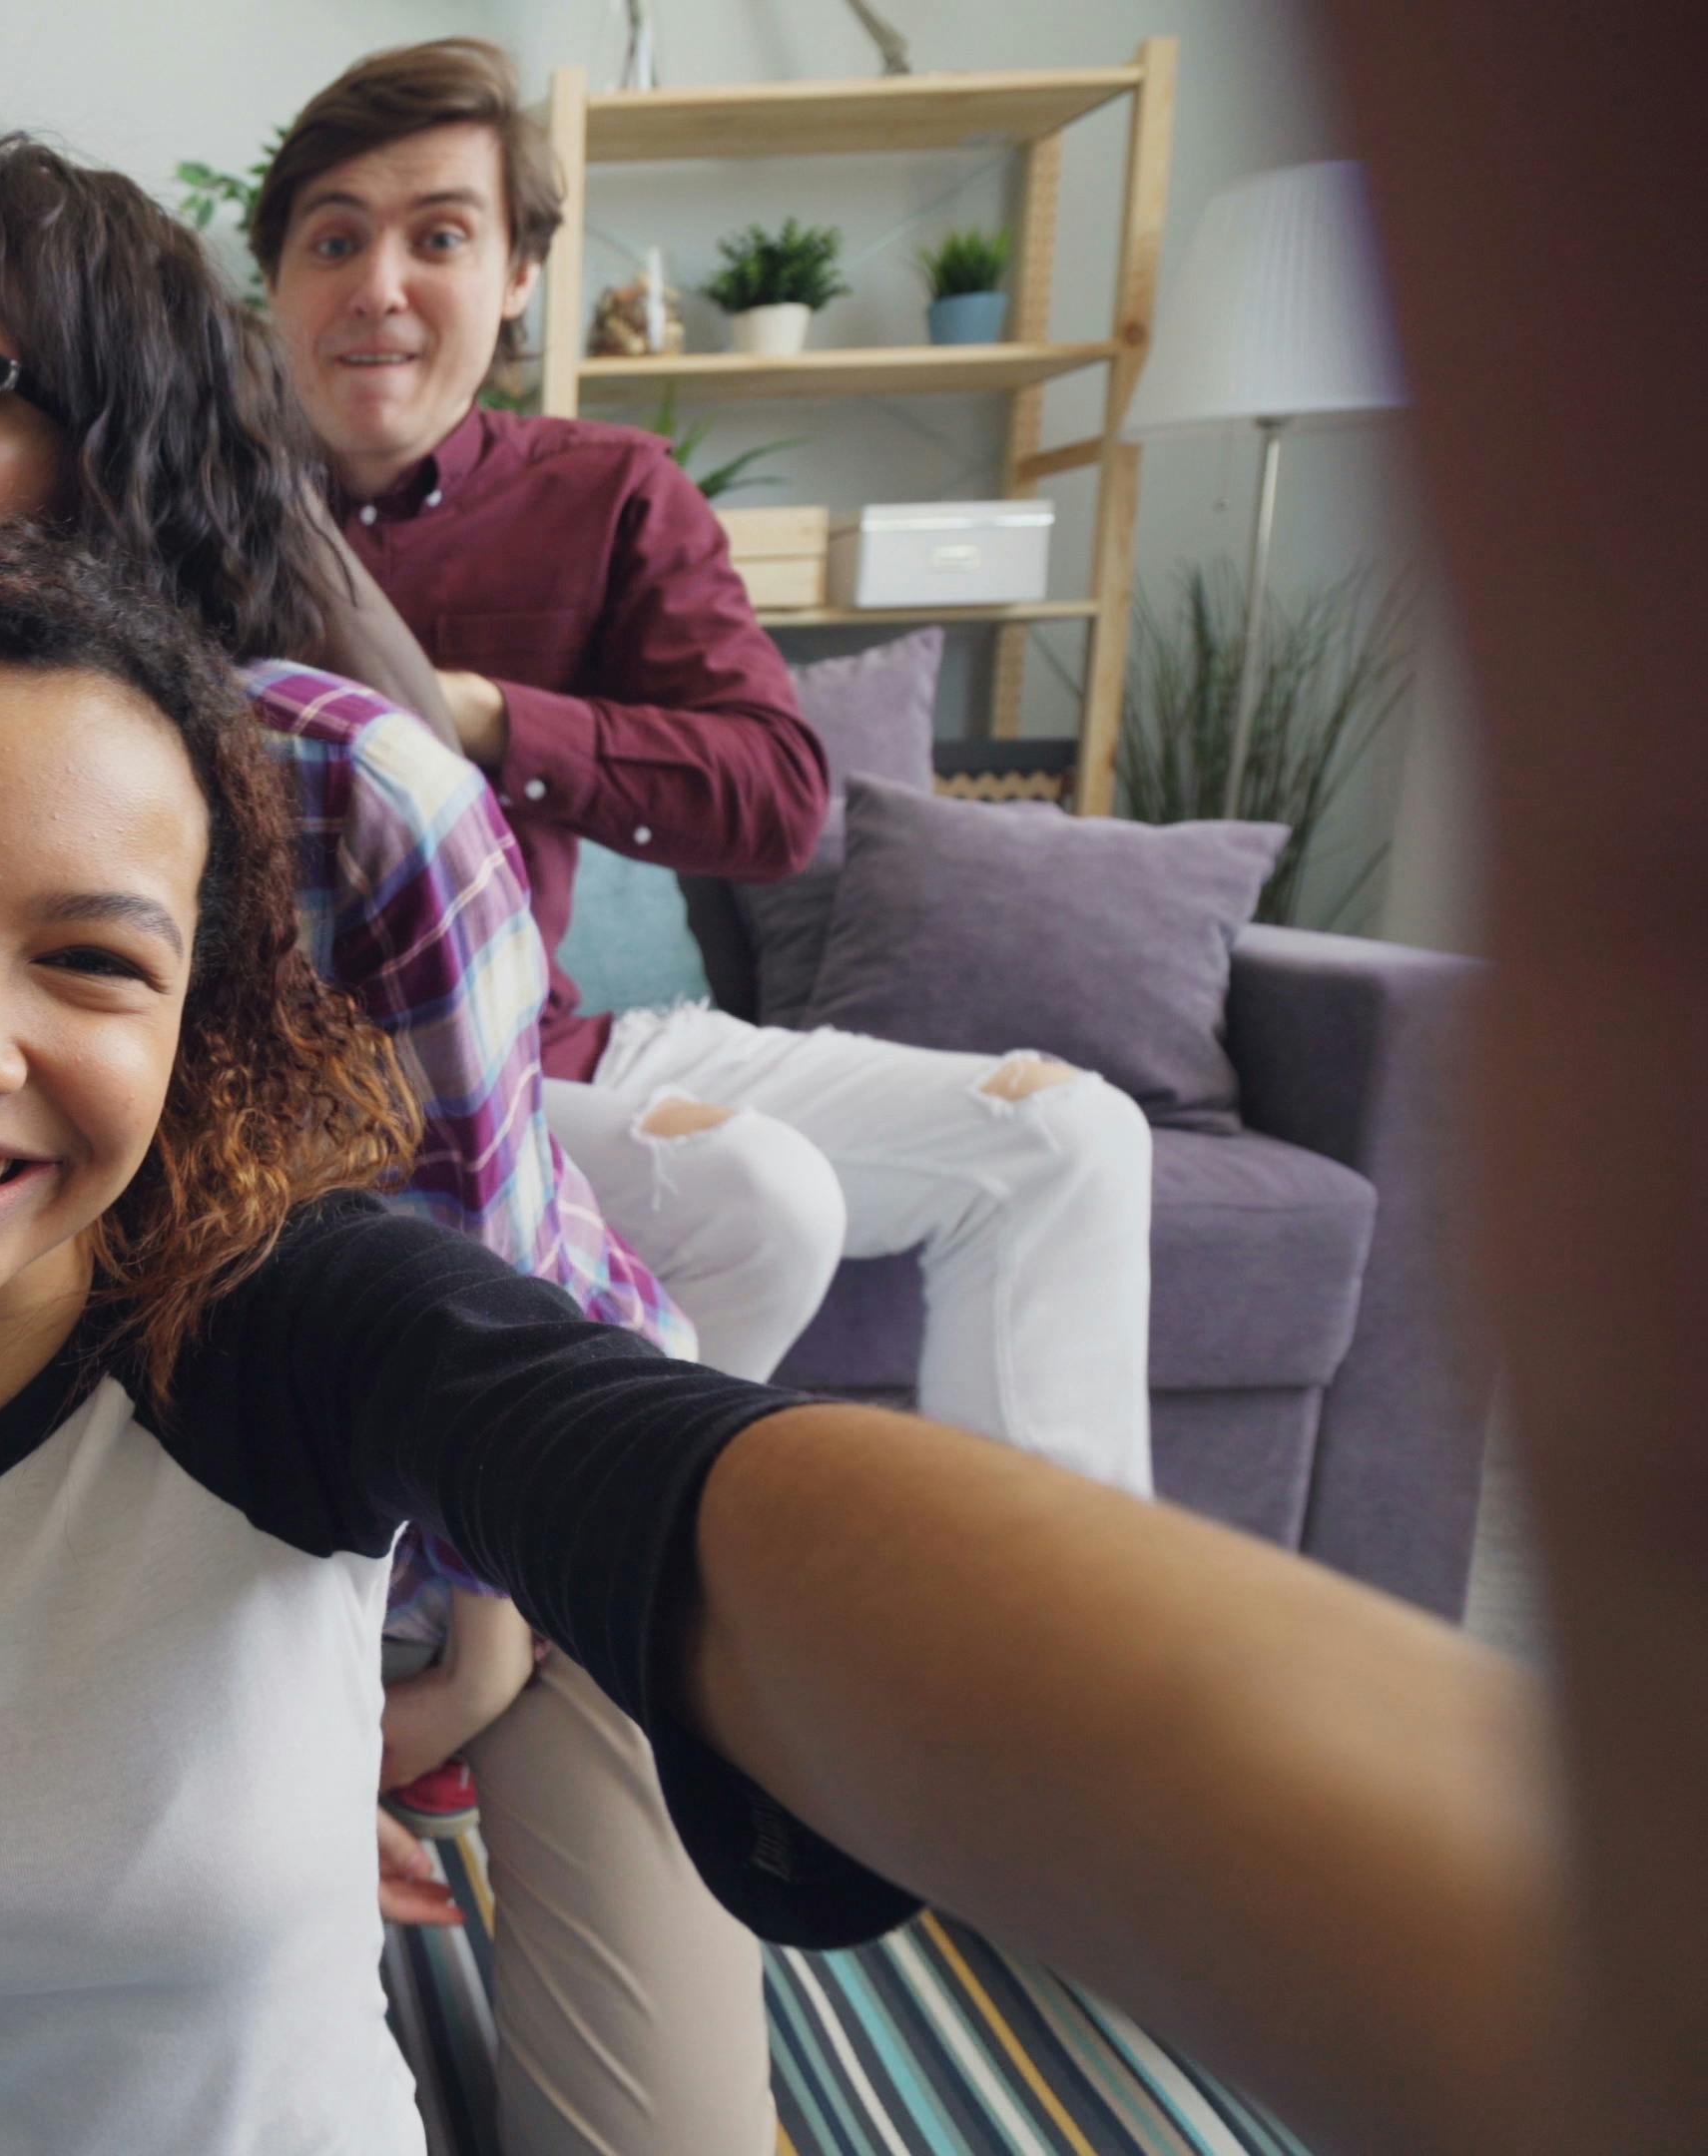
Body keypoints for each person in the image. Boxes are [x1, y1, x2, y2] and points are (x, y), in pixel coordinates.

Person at [0, 520, 1546, 2156]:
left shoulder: (281, 1324)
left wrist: (1474, 1886)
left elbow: (669, 1479)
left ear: (196, 1020)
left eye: (87, 958)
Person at [0, 128, 776, 2152]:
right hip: (72, 1540)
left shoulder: (340, 794)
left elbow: (490, 1344)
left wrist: (423, 1692)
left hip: (474, 1563)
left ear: (107, 454)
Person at [250, 39, 1155, 1490]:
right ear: (278, 284)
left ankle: (1049, 1650)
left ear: (521, 274)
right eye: (334, 240)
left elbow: (776, 797)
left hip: (568, 1039)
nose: (379, 286)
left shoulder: (607, 494)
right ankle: (589, 1583)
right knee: (758, 1192)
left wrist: (479, 714)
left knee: (1068, 1135)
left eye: (440, 236)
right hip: (364, 1083)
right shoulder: (190, 503)